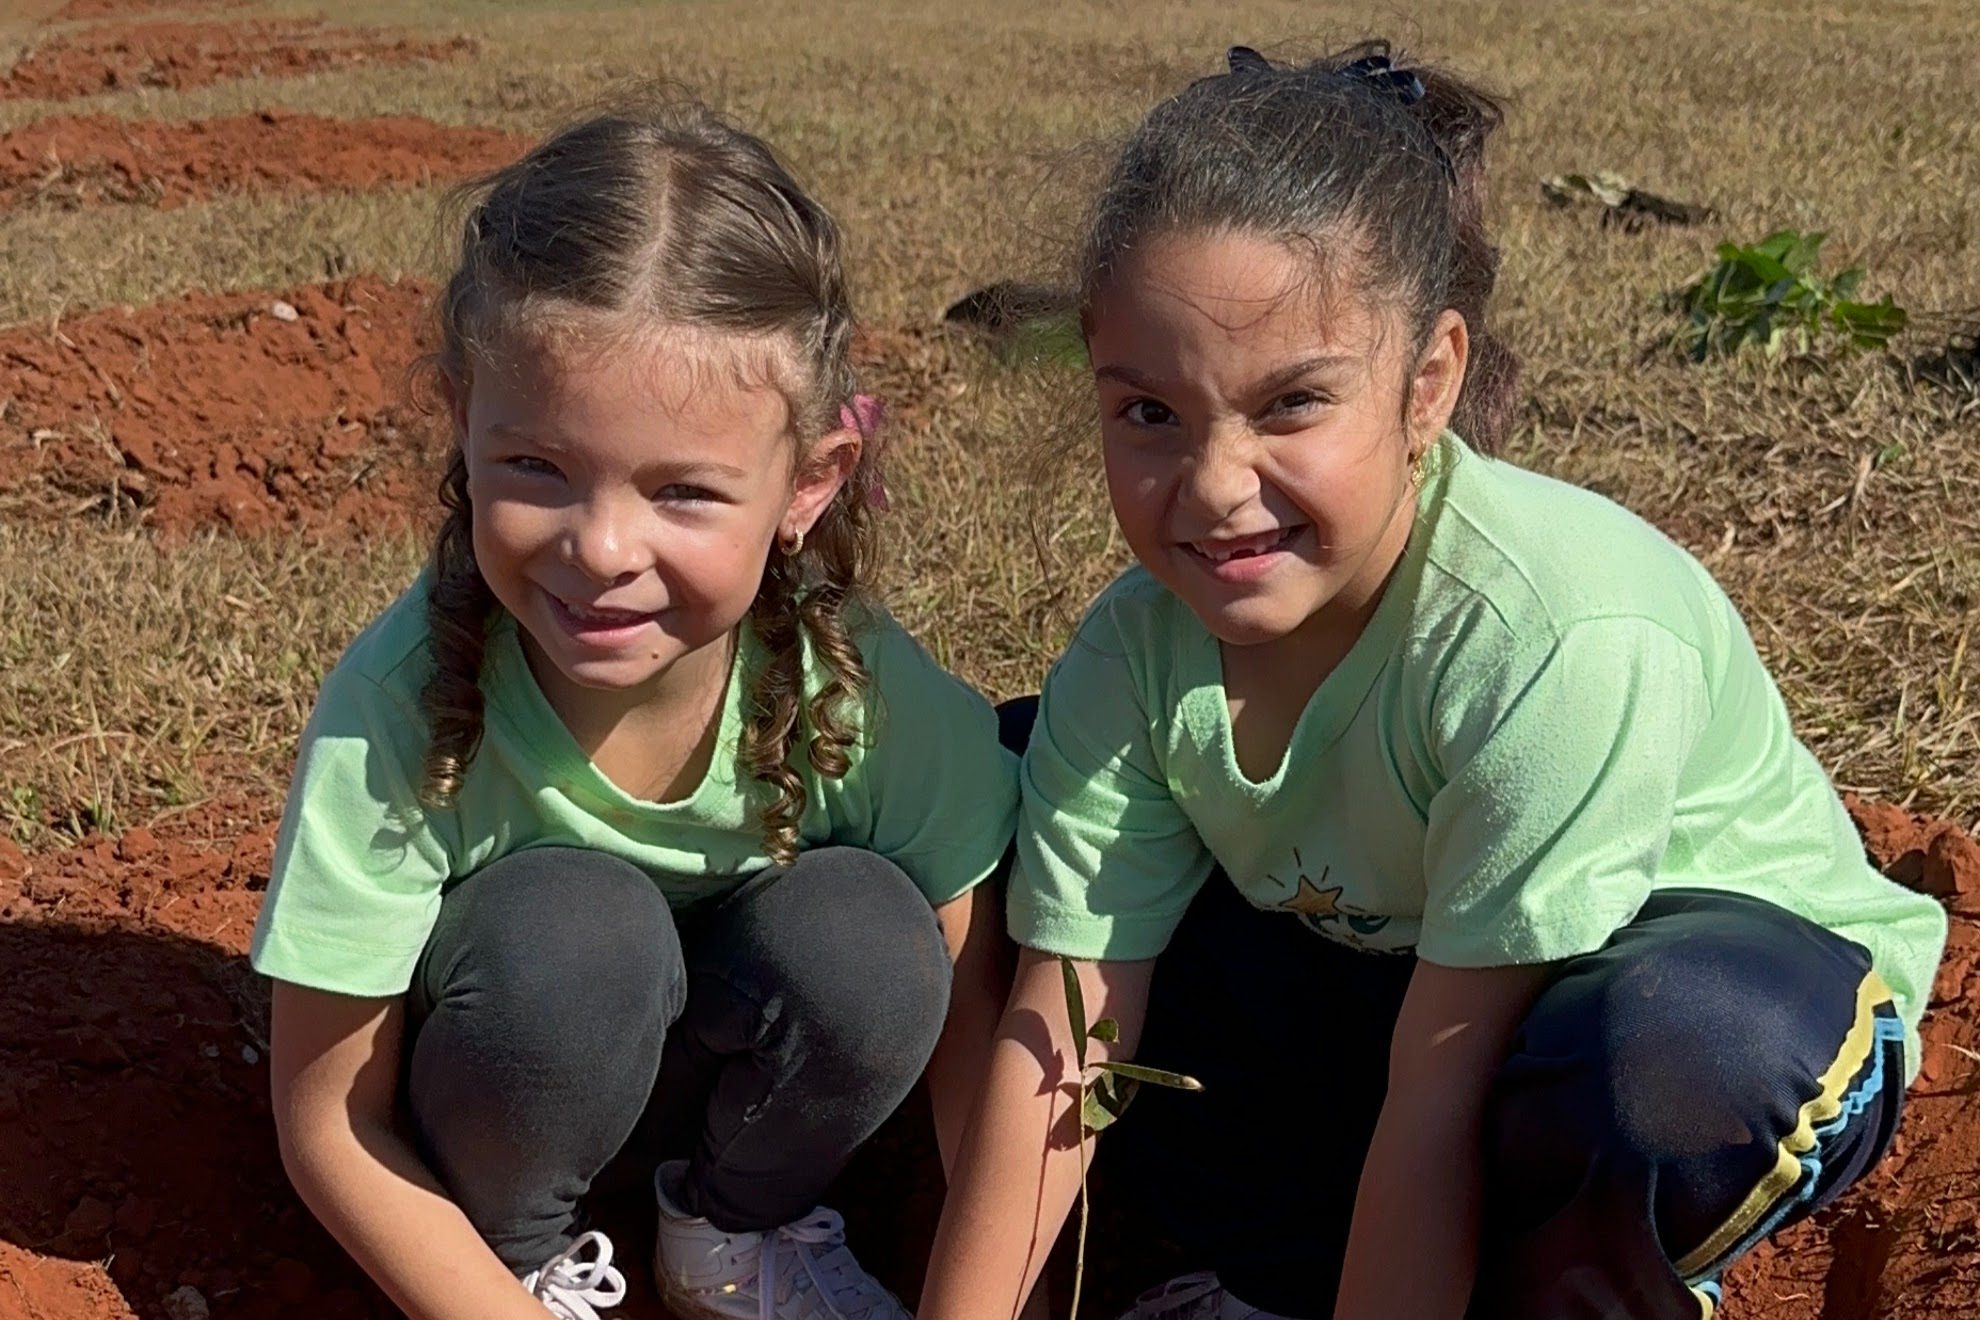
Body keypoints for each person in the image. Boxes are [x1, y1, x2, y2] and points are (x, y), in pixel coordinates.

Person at [919, 42, 1947, 1320]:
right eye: (1150, 414)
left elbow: (1445, 1079)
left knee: (1674, 1056)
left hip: (1685, 996)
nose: (1215, 484)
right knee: (1001, 794)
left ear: (1430, 383)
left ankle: (1582, 1281)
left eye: (1291, 405)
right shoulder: (1134, 655)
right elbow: (1063, 1044)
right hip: (1398, 966)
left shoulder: (1549, 638)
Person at [254, 97, 1019, 1320]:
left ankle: (732, 1233)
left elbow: (981, 1020)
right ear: (463, 420)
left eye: (685, 493)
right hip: (499, 1095)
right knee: (575, 936)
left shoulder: (862, 695)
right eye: (537, 468)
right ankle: (516, 1259)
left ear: (809, 484)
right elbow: (326, 1120)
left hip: (729, 1088)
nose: (602, 548)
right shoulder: (399, 707)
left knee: (872, 935)